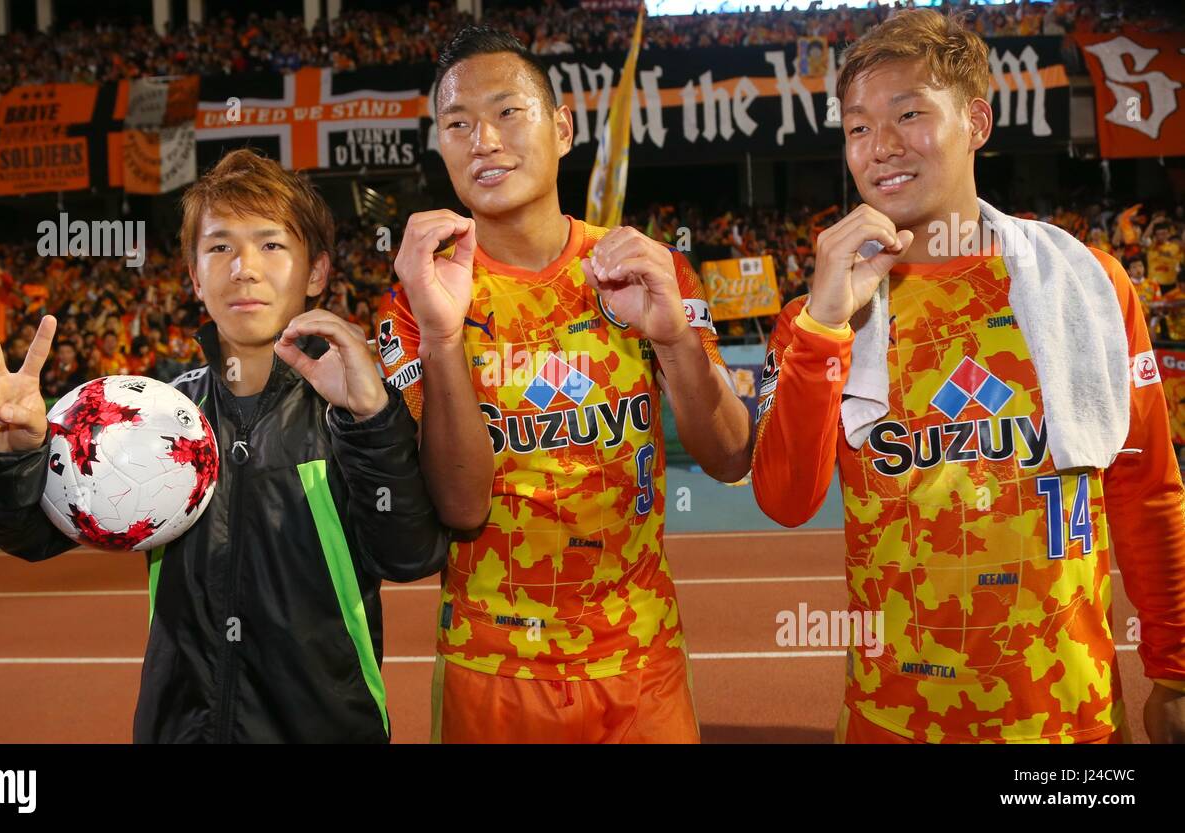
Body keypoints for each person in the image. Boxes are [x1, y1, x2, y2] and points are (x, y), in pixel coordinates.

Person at [751, 9, 1185, 744]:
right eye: (857, 128)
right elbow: (786, 500)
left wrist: (1175, 669)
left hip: (1066, 721)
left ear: (978, 120)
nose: (880, 147)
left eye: (909, 114)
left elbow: (1143, 487)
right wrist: (823, 326)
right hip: (893, 721)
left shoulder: (1087, 284)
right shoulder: (820, 313)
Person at [0, 148, 449, 743]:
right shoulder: (149, 417)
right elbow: (32, 537)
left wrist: (372, 419)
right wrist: (8, 457)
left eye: (271, 244)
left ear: (316, 271)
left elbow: (410, 555)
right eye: (219, 247)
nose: (244, 267)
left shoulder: (354, 410)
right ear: (194, 276)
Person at [376, 26, 754, 743]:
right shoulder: (415, 299)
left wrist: (673, 338)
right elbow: (461, 505)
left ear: (562, 127)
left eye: (507, 112)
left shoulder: (642, 269)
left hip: (641, 667)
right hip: (492, 672)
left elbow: (732, 456)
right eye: (457, 123)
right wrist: (445, 335)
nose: (483, 139)